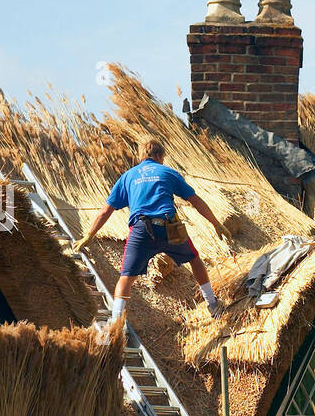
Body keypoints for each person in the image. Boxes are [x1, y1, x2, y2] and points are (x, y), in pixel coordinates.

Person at [74, 136, 230, 321]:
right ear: (158, 155)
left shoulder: (128, 177)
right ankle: (212, 304)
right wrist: (216, 223)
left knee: (126, 277)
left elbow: (106, 210)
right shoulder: (167, 172)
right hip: (169, 227)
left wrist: (89, 235)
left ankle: (116, 320)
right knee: (194, 259)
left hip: (141, 230)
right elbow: (195, 201)